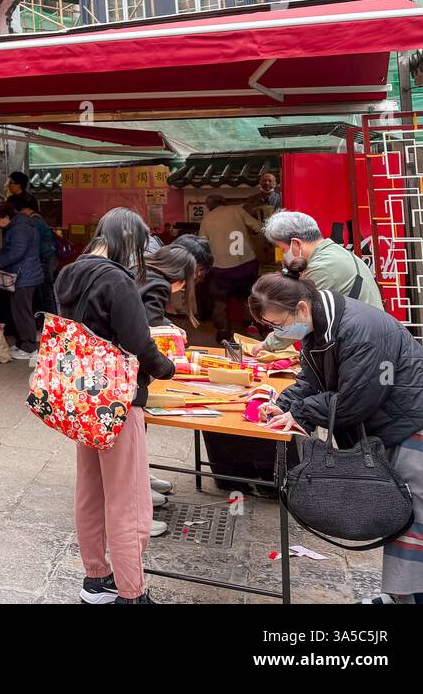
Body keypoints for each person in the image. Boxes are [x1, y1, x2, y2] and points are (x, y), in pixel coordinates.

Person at [250, 263, 423, 604]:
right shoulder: (318, 327)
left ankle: (419, 599)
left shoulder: (361, 328)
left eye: (278, 324)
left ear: (301, 308)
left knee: (421, 526)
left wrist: (301, 412)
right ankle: (402, 598)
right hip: (393, 425)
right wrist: (285, 404)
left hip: (416, 423)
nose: (280, 331)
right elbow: (311, 380)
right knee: (406, 524)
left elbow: (357, 399)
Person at [56, 207, 176, 605]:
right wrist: (167, 368)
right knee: (129, 501)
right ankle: (131, 592)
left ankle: (96, 579)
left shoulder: (69, 273)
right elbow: (139, 345)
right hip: (119, 400)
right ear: (130, 242)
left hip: (82, 397)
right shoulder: (118, 281)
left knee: (89, 492)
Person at [138, 243, 200, 530]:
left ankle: (139, 481)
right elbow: (146, 325)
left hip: (112, 367)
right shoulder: (159, 284)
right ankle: (136, 501)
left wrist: (168, 325)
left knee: (133, 431)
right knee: (131, 430)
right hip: (125, 369)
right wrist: (166, 368)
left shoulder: (141, 271)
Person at [261, 212, 383, 347]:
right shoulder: (332, 252)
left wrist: (267, 345)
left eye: (284, 249)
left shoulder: (321, 268)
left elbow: (301, 321)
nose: (284, 256)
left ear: (296, 243)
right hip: (367, 335)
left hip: (364, 343)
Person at [197, 195, 264, 338]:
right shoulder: (236, 210)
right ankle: (252, 326)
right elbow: (258, 227)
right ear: (224, 202)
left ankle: (223, 331)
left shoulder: (206, 220)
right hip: (245, 265)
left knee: (219, 301)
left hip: (221, 269)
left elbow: (202, 244)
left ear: (209, 207)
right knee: (248, 297)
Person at [0, 201, 44, 364]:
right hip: (24, 275)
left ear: (6, 217)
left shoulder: (19, 229)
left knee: (22, 312)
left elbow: (15, 252)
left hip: (24, 276)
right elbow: (9, 250)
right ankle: (22, 343)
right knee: (19, 310)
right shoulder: (19, 225)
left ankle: (29, 347)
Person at [17, 193, 57, 315]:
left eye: (20, 209)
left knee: (46, 293)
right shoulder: (36, 219)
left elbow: (33, 245)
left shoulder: (34, 221)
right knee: (45, 293)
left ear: (26, 208)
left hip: (44, 260)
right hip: (46, 258)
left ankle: (52, 324)